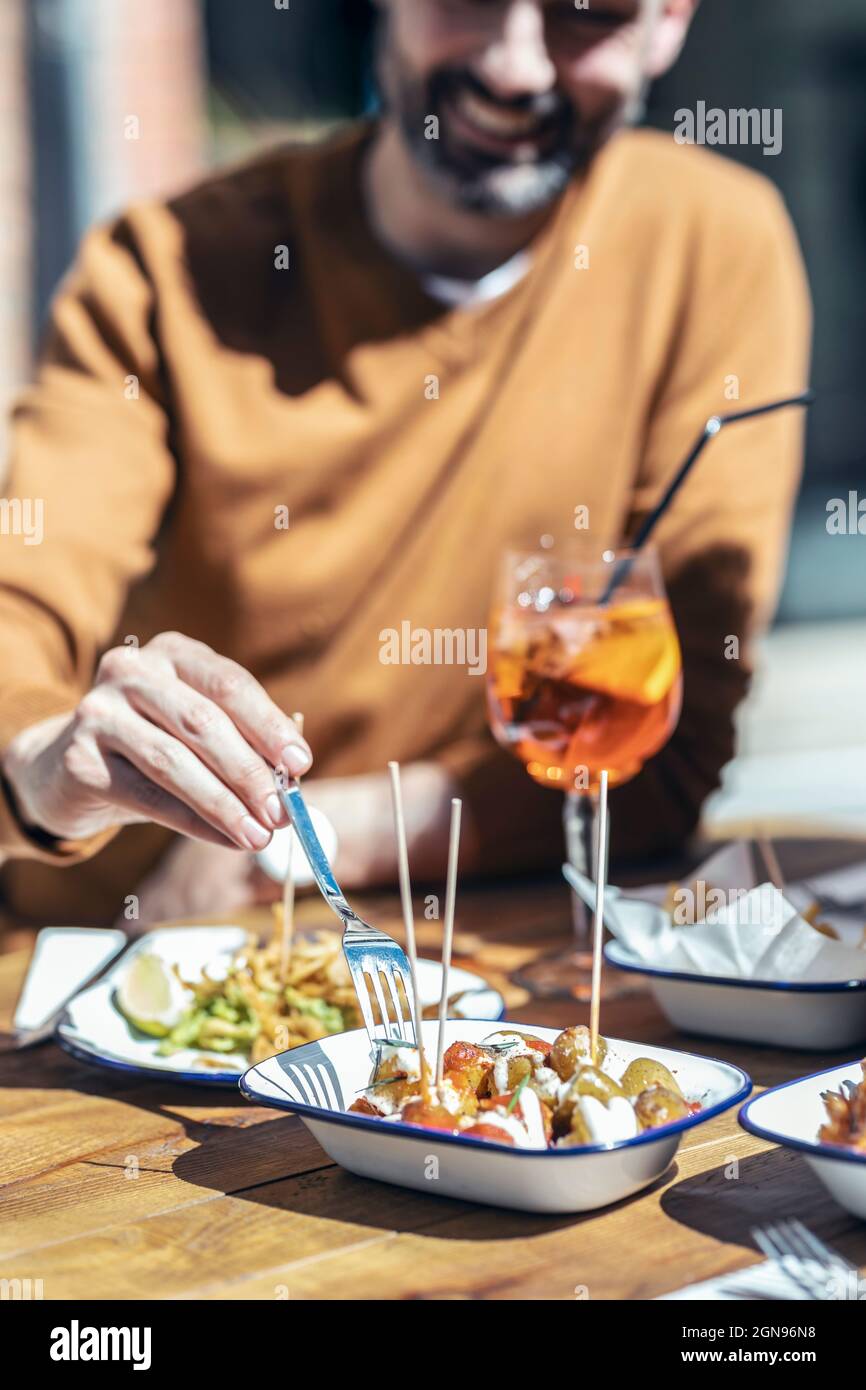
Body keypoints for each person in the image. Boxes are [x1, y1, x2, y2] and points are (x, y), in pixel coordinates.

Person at [0, 0, 810, 927]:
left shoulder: (710, 245)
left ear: (668, 21)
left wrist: (301, 843)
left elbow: (662, 751)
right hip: (113, 957)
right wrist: (40, 762)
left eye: (588, 14)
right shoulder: (165, 269)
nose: (516, 69)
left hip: (472, 966)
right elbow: (21, 603)